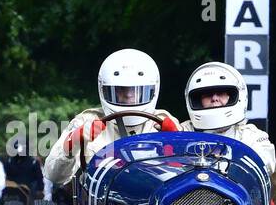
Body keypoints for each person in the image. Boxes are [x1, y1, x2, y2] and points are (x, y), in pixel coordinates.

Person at [43, 48, 179, 186]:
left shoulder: (165, 123)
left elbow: (184, 176)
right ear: (104, 89)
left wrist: (178, 141)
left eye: (136, 90)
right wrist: (74, 141)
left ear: (152, 90)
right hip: (101, 199)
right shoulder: (86, 121)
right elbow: (53, 177)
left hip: (152, 199)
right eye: (121, 90)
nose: (128, 95)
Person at [179, 61, 276, 173]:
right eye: (207, 94)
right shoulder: (184, 132)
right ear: (197, 100)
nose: (214, 98)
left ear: (233, 96)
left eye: (221, 93)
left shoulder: (251, 136)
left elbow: (266, 164)